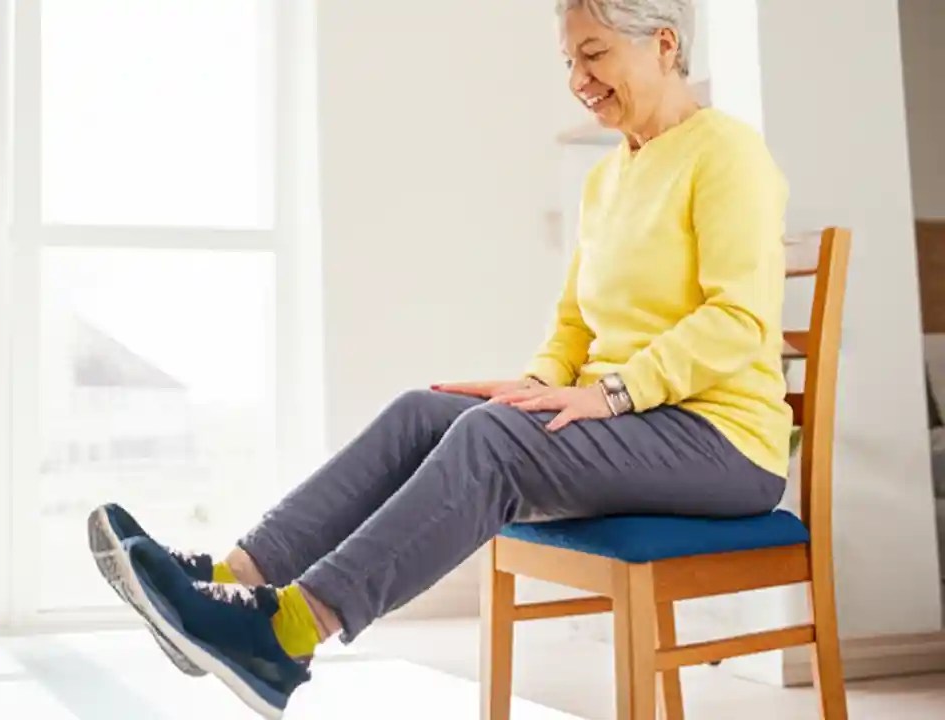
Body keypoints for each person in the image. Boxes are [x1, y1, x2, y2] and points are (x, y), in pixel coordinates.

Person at [89, 0, 793, 716]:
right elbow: (575, 321)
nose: (578, 78)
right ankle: (230, 581)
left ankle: (284, 633)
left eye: (594, 54)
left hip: (722, 443)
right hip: (632, 421)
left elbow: (738, 319)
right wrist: (537, 383)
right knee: (422, 411)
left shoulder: (727, 153)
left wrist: (610, 392)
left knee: (492, 439)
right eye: (568, 62)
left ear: (665, 43)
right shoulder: (607, 178)